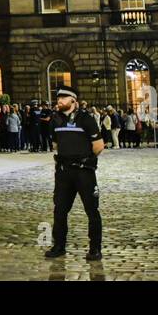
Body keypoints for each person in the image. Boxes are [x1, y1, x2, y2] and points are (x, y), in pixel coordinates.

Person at [45, 86, 104, 261]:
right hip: (64, 172)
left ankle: (95, 249)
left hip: (83, 172)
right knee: (60, 210)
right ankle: (59, 246)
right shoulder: (55, 120)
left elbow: (99, 145)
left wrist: (84, 159)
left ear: (73, 100)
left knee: (92, 210)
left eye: (63, 97)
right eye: (58, 98)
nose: (59, 101)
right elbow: (55, 144)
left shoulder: (85, 119)